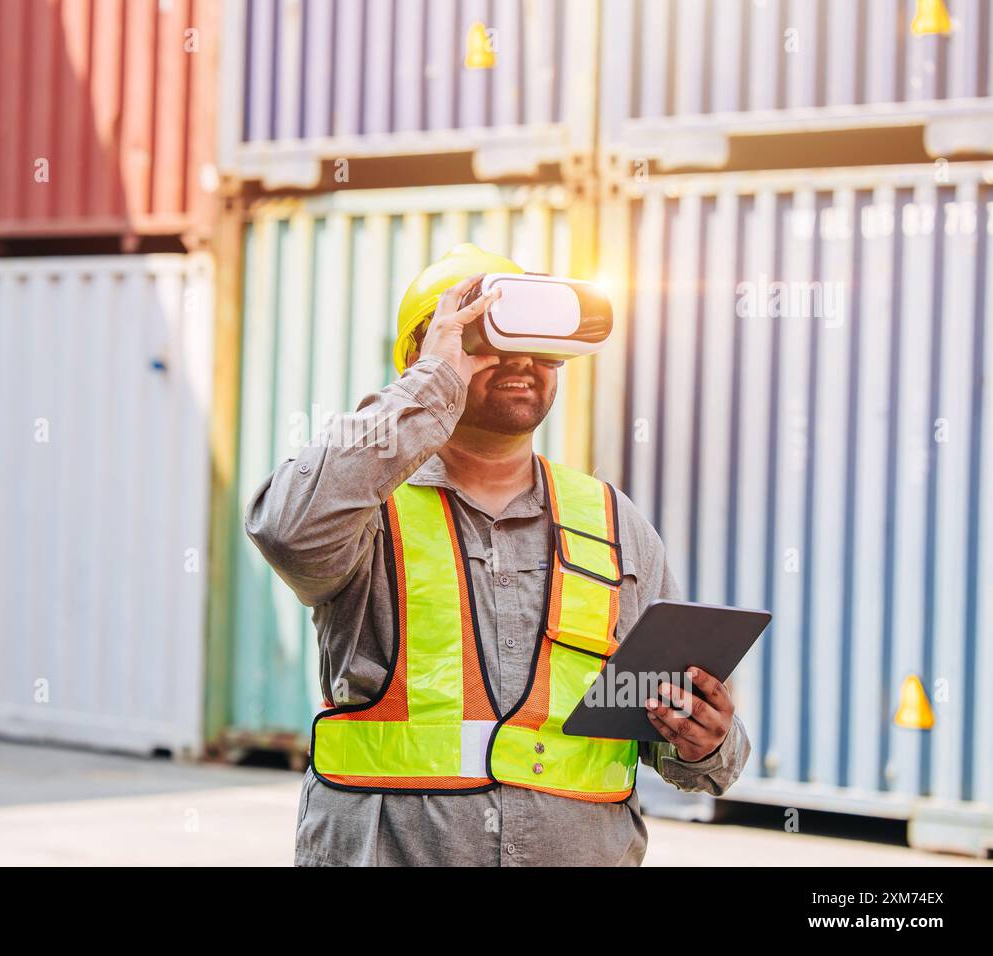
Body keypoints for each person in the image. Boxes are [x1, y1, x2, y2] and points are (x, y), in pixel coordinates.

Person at [246, 244, 750, 866]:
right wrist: (430, 389)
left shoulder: (614, 522)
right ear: (424, 355)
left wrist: (704, 742)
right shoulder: (366, 507)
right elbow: (286, 530)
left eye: (541, 345)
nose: (521, 360)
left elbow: (683, 745)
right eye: (488, 337)